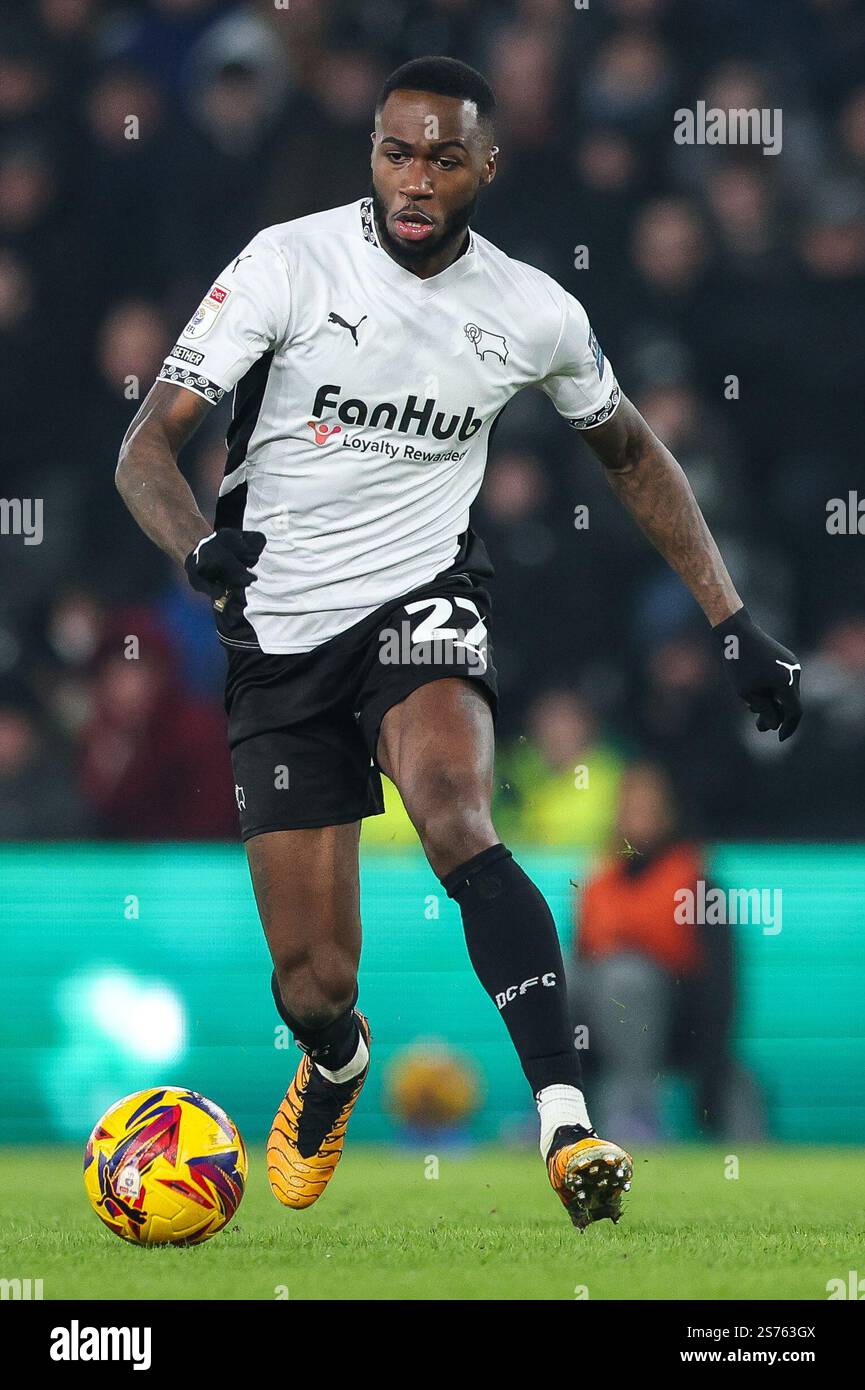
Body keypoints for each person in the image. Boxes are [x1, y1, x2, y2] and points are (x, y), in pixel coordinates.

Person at [115, 56, 801, 1230]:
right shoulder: (288, 263)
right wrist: (197, 554)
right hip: (276, 633)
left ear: (487, 163)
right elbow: (145, 449)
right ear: (370, 155)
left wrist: (731, 620)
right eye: (396, 152)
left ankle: (566, 1121)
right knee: (315, 980)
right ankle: (335, 1062)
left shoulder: (533, 308)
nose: (416, 177)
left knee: (455, 811)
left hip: (422, 598)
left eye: (443, 155)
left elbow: (632, 454)